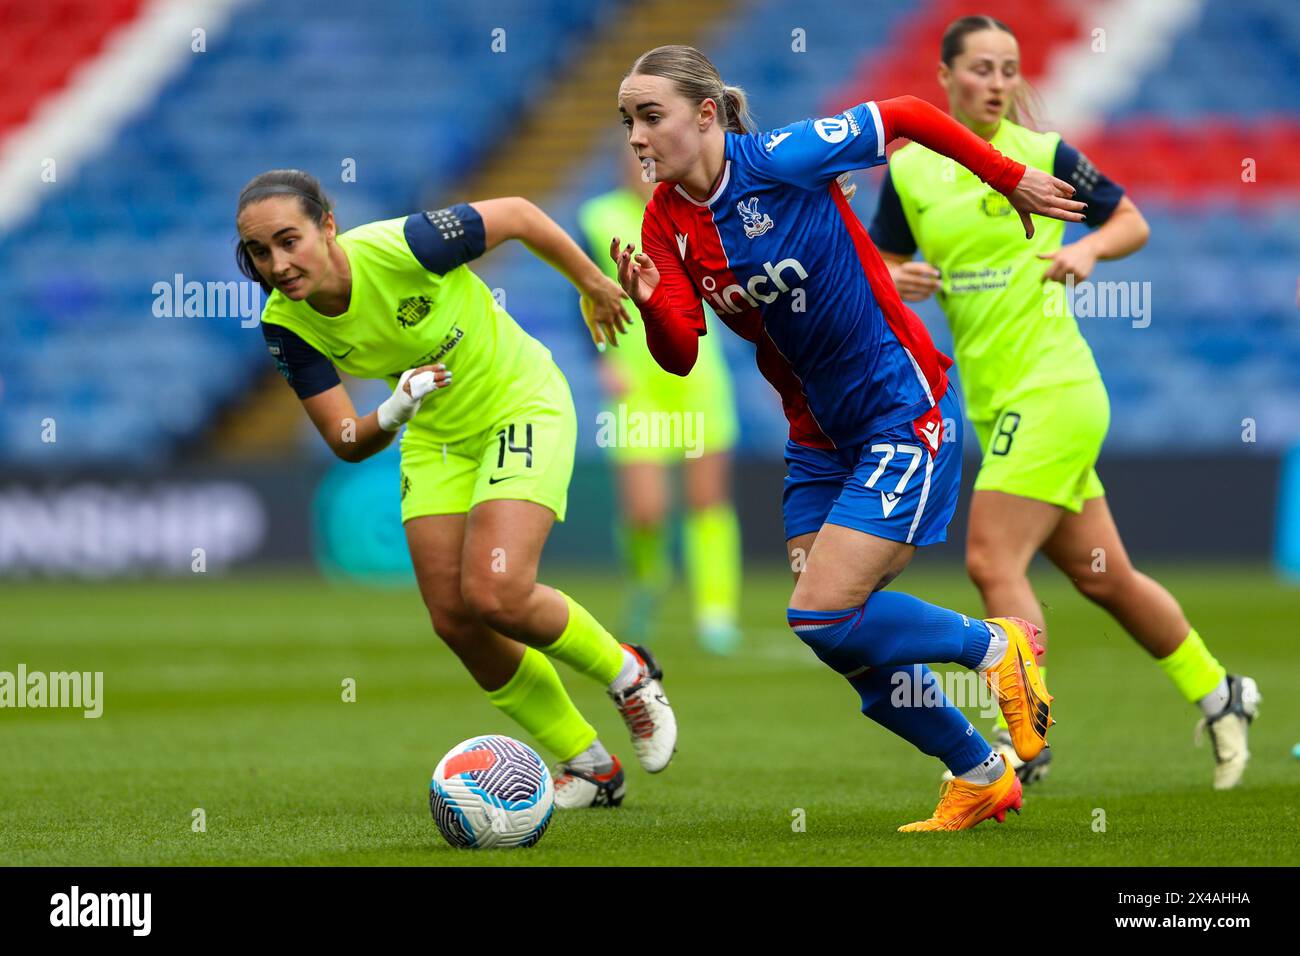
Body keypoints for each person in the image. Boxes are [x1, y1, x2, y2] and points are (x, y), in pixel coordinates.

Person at [611, 45, 1082, 830]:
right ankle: (978, 770)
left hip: (901, 409)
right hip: (817, 442)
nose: (635, 136)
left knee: (823, 613)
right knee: (842, 638)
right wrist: (654, 303)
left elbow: (905, 115)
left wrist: (1006, 176)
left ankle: (996, 646)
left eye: (650, 116)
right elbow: (683, 351)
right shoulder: (663, 225)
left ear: (705, 116)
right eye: (627, 120)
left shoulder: (783, 158)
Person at [869, 15, 1260, 790]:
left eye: (1009, 69)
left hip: (1055, 389)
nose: (997, 82)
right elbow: (882, 259)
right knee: (1104, 575)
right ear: (945, 77)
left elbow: (1131, 220)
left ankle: (1027, 734)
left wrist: (1085, 247)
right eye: (981, 68)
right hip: (994, 399)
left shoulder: (1042, 157)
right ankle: (1223, 694)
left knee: (990, 557)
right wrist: (896, 277)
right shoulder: (911, 173)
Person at [234, 169, 676, 809]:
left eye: (288, 240)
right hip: (435, 437)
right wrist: (394, 409)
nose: (278, 263)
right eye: (259, 252)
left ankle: (630, 674)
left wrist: (592, 285)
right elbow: (345, 440)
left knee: (497, 592)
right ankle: (589, 764)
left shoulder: (405, 245)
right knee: (456, 619)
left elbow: (522, 212)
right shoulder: (286, 325)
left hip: (518, 404)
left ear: (327, 226)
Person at [579, 147, 743, 654]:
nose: (644, 169)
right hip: (636, 383)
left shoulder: (697, 210)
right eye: (635, 160)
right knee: (646, 511)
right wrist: (600, 355)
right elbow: (577, 290)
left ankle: (717, 614)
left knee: (706, 502)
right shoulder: (597, 217)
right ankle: (648, 582)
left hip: (696, 376)